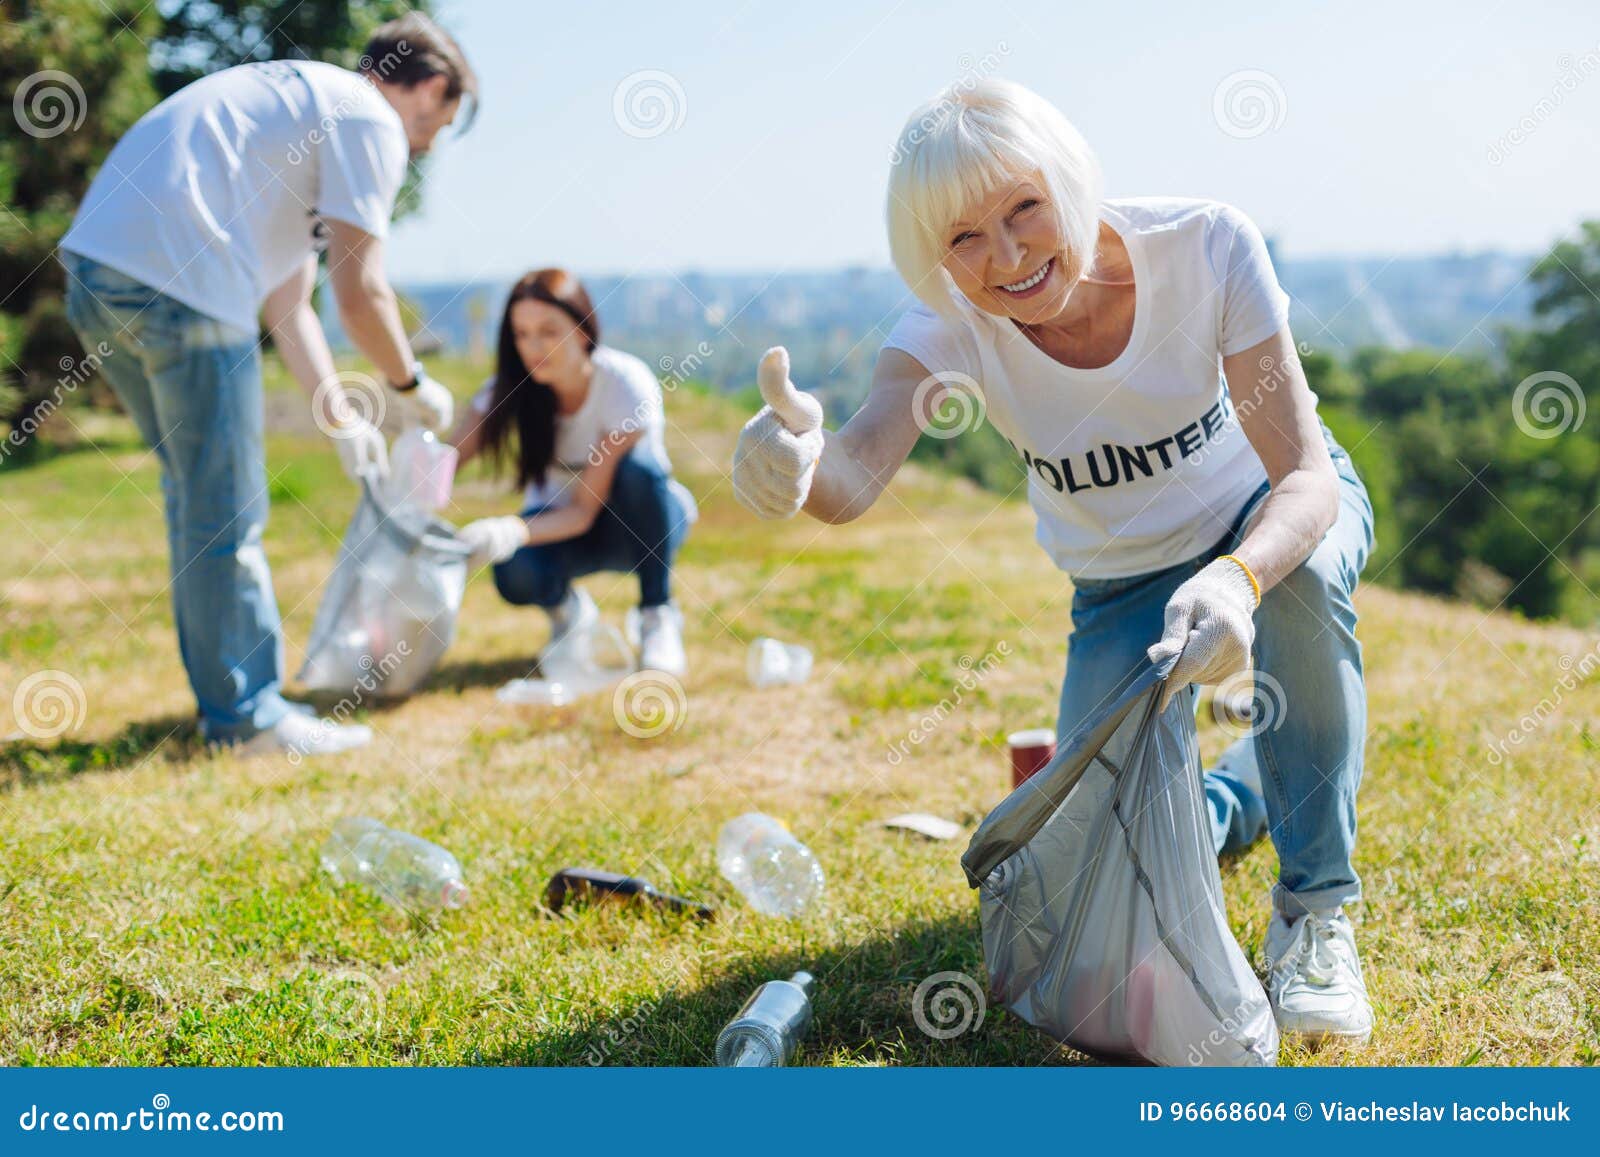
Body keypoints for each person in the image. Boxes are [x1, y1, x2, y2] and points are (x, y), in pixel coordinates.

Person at [730, 79, 1376, 1046]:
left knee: (1306, 588)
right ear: (932, 256)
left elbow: (1307, 481)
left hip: (1265, 522)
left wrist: (1237, 578)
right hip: (1119, 585)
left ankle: (1315, 908)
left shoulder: (1205, 246)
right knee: (1099, 880)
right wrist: (797, 460)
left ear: (1068, 181)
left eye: (1024, 208)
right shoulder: (947, 325)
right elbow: (858, 468)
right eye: (962, 238)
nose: (1008, 256)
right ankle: (1239, 793)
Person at [57, 15, 474, 758]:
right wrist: (409, 385)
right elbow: (362, 293)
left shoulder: (302, 112)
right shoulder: (370, 119)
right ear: (433, 88)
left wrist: (342, 416)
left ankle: (231, 705)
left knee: (199, 499)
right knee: (225, 510)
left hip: (96, 274)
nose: (430, 145)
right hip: (180, 278)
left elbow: (290, 303)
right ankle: (248, 719)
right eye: (441, 125)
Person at [451, 270, 696, 675]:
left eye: (548, 331)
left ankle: (657, 614)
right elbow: (449, 459)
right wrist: (416, 451)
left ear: (583, 330)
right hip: (561, 531)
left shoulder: (624, 386)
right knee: (514, 571)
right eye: (522, 334)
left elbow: (584, 512)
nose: (533, 347)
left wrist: (509, 530)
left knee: (639, 472)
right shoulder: (506, 391)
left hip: (640, 527)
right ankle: (570, 617)